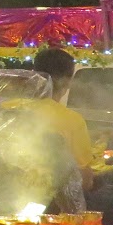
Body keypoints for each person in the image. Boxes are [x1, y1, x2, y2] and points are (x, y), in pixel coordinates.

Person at [29, 47, 94, 194]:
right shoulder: (71, 120)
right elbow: (84, 180)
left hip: (2, 199)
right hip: (52, 207)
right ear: (67, 81)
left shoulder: (7, 110)